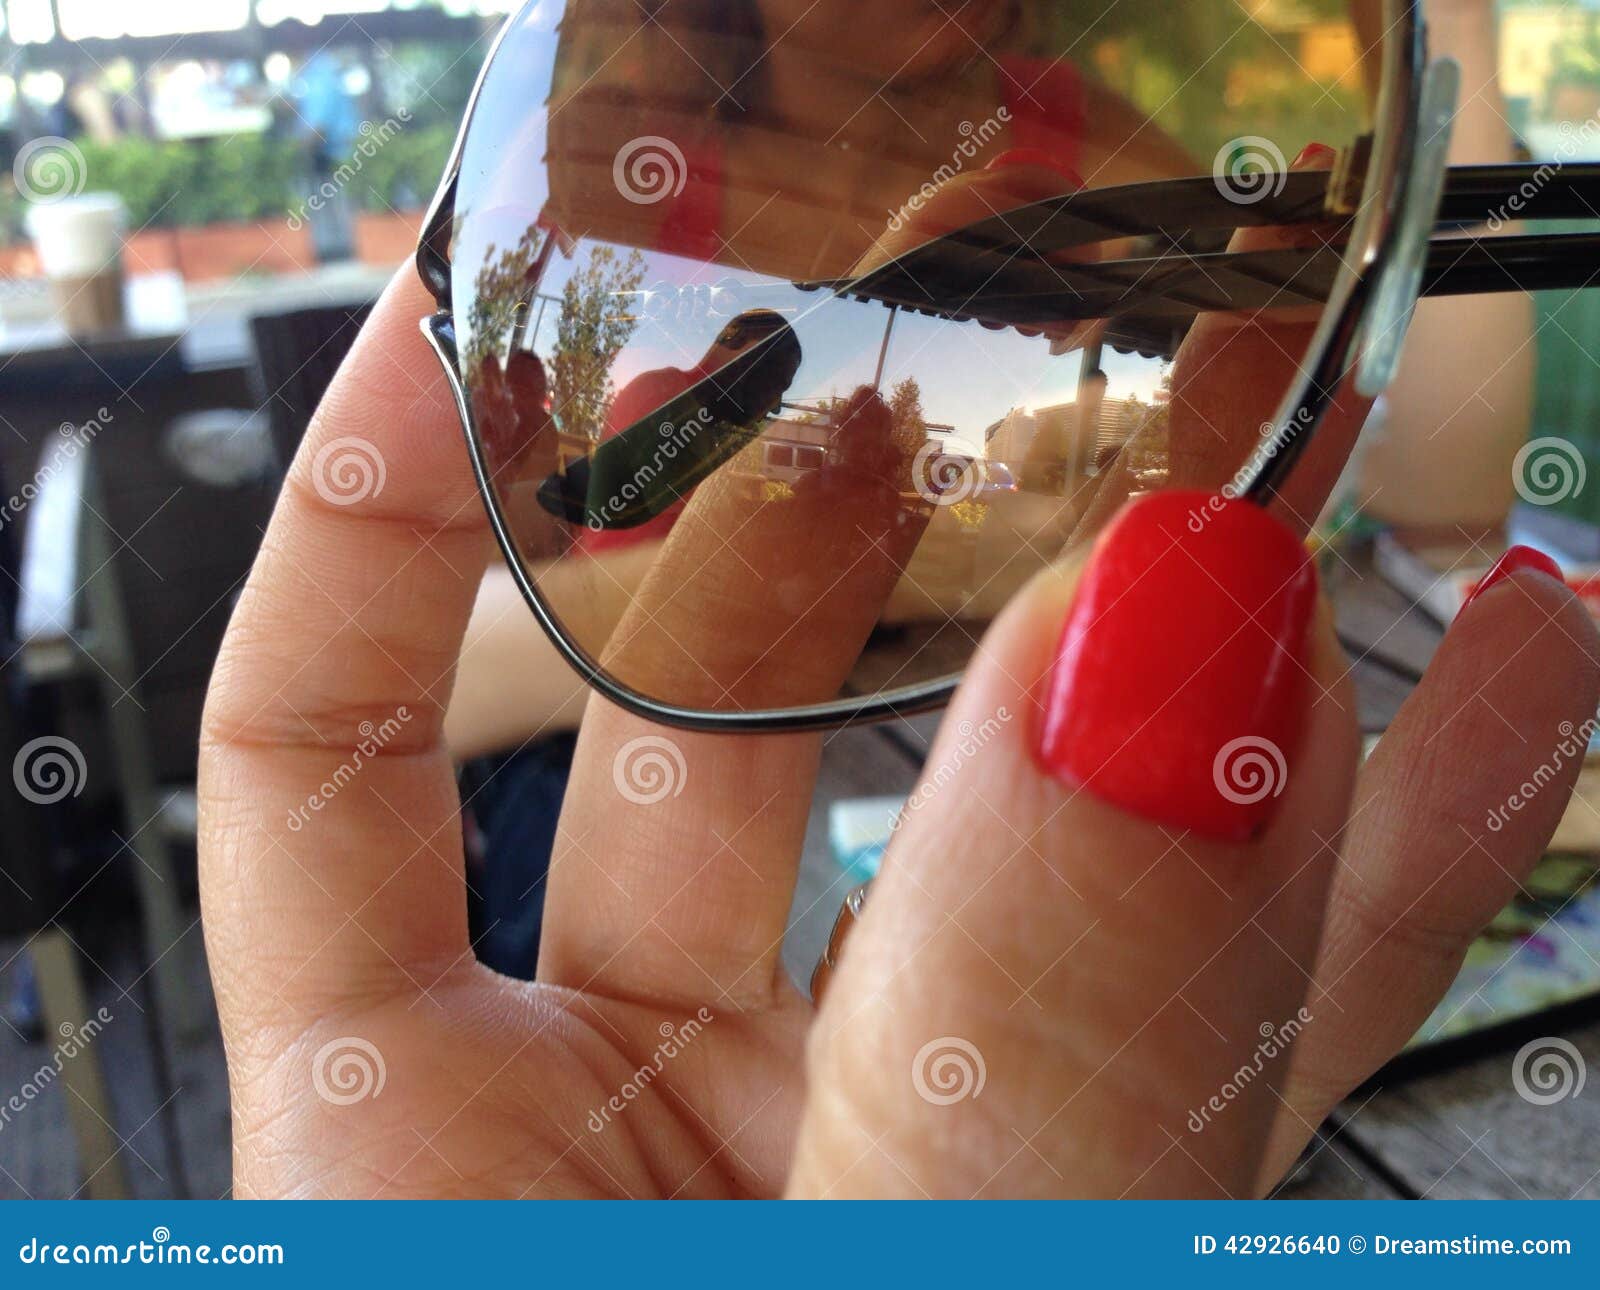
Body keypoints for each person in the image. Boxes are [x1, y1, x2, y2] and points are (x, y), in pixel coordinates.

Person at [198, 262, 1599, 1196]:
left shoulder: (1047, 196)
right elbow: (469, 662)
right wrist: (930, 560)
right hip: (567, 868)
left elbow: (1430, 484)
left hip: (806, 839)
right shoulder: (628, 262)